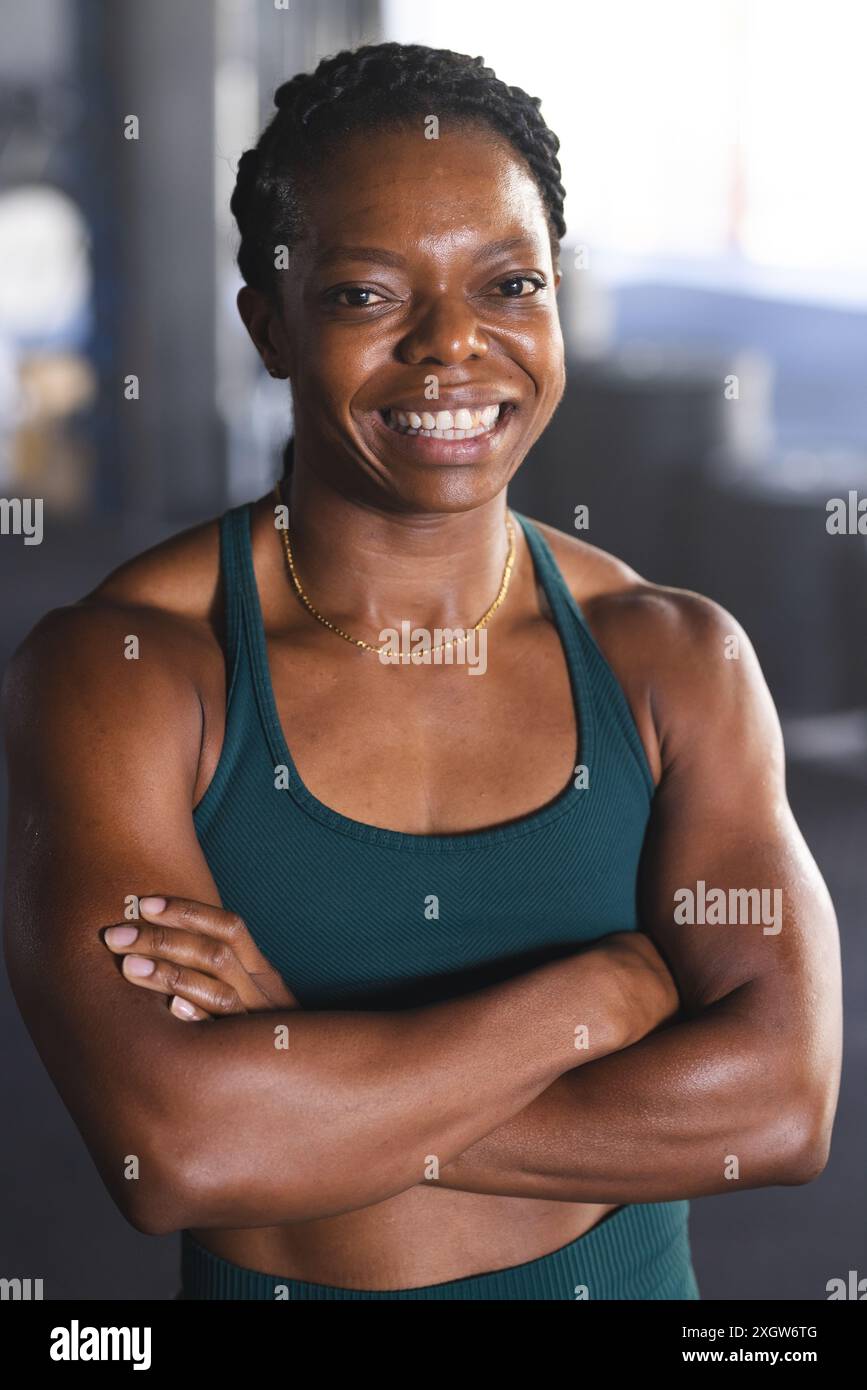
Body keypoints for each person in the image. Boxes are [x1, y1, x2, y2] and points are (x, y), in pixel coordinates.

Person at [2, 42, 841, 1301]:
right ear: (270, 323)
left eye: (509, 283)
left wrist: (320, 1085)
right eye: (367, 295)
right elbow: (179, 1146)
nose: (454, 347)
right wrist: (602, 997)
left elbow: (780, 1108)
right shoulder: (127, 672)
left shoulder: (676, 658)